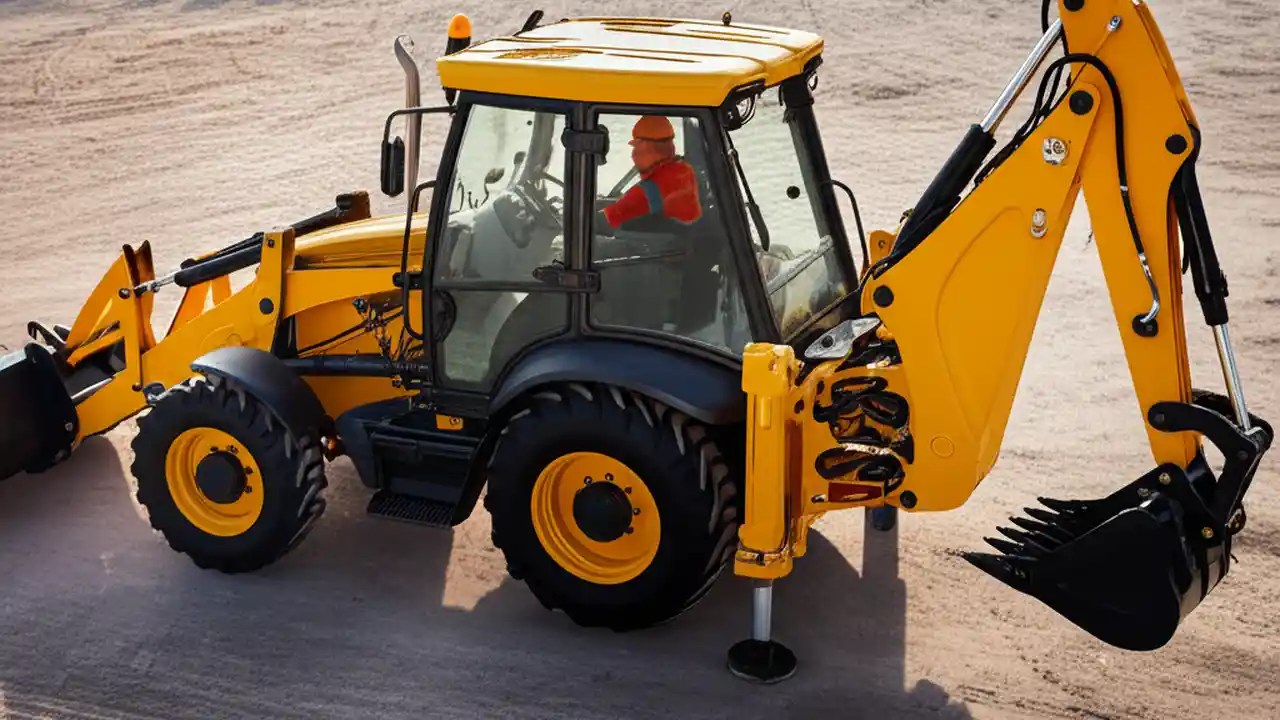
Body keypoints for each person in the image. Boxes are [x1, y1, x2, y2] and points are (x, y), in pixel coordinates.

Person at [598, 115, 703, 230]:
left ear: (649, 148)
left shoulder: (652, 189)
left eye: (637, 147)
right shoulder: (683, 170)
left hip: (661, 245)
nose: (633, 155)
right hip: (675, 238)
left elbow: (606, 220)